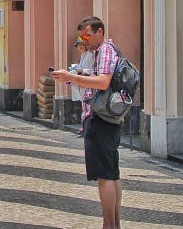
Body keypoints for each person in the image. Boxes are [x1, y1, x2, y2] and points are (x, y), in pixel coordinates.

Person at [51, 16, 123, 229]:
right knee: (112, 174)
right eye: (82, 37)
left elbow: (103, 82)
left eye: (87, 35)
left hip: (100, 118)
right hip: (105, 118)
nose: (85, 40)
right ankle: (113, 225)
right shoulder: (101, 52)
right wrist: (80, 74)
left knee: (105, 176)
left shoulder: (105, 50)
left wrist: (71, 78)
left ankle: (109, 225)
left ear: (100, 32)